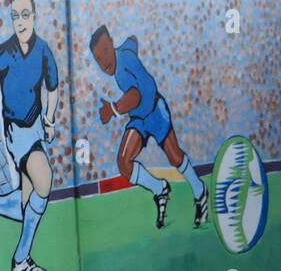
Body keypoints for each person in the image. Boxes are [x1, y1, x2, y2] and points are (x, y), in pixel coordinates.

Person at [0, 0, 59, 271]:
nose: (20, 21)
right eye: (15, 16)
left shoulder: (43, 50)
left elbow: (53, 87)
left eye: (25, 15)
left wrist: (49, 119)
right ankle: (21, 260)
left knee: (28, 203)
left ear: (34, 16)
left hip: (36, 126)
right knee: (44, 178)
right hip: (16, 131)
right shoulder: (5, 51)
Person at [90, 25, 209, 228]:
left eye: (105, 52)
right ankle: (160, 188)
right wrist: (132, 43)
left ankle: (200, 191)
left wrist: (112, 109)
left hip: (154, 110)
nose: (104, 62)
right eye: (98, 59)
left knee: (175, 157)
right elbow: (133, 39)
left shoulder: (124, 67)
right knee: (123, 162)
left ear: (111, 42)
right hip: (139, 119)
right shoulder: (123, 52)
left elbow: (135, 97)